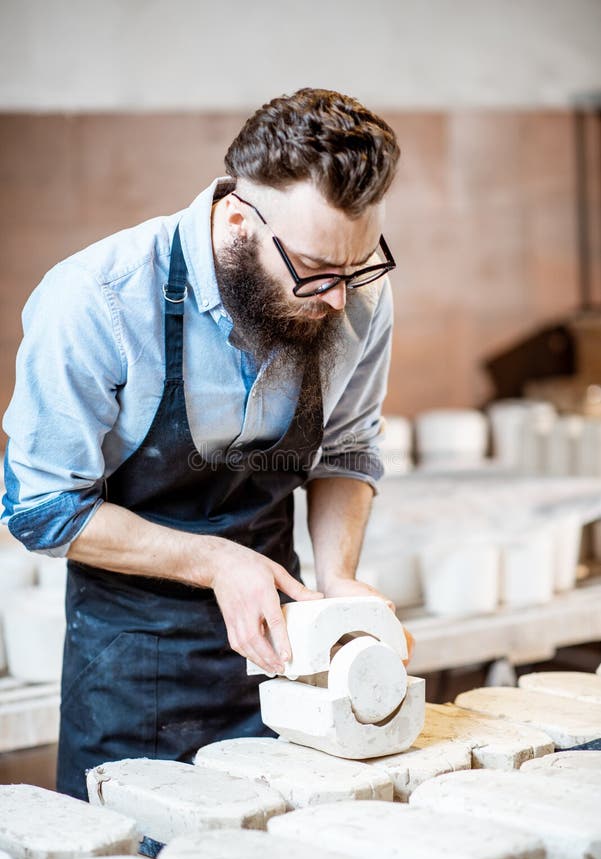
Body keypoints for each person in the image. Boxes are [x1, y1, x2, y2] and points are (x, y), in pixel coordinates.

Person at [2, 87, 413, 800]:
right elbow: (40, 508)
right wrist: (218, 561)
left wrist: (338, 576)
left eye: (358, 268)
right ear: (235, 221)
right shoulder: (96, 299)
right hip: (132, 664)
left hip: (284, 651)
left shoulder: (352, 292)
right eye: (316, 270)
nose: (339, 299)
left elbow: (346, 450)